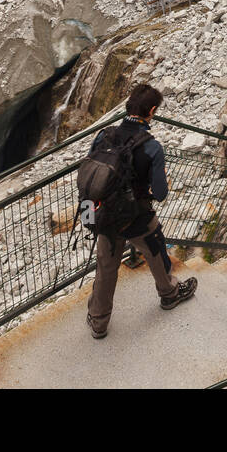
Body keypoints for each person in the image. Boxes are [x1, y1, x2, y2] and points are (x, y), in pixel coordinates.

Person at [85, 84, 196, 339]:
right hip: (136, 216)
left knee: (106, 266)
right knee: (155, 250)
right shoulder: (152, 147)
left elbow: (93, 169)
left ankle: (98, 321)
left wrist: (89, 215)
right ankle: (169, 294)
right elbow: (160, 193)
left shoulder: (105, 135)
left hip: (104, 215)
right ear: (152, 111)